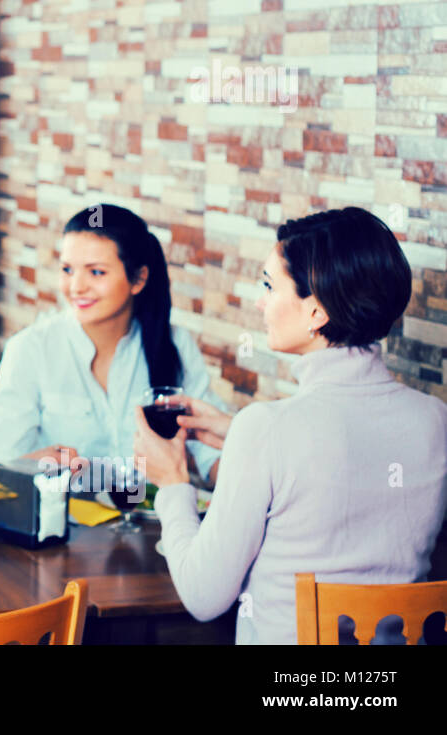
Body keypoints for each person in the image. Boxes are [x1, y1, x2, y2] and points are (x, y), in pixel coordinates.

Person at [134, 207, 447, 645]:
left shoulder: (267, 429)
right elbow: (353, 454)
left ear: (316, 312)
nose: (260, 301)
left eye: (268, 285)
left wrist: (171, 484)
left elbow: (203, 598)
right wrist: (235, 430)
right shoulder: (435, 420)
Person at [0, 203, 225, 488]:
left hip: (156, 525)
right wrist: (31, 465)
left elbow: (213, 456)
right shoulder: (29, 350)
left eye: (96, 272)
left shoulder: (175, 345)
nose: (76, 287)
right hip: (66, 528)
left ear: (139, 279)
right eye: (68, 269)